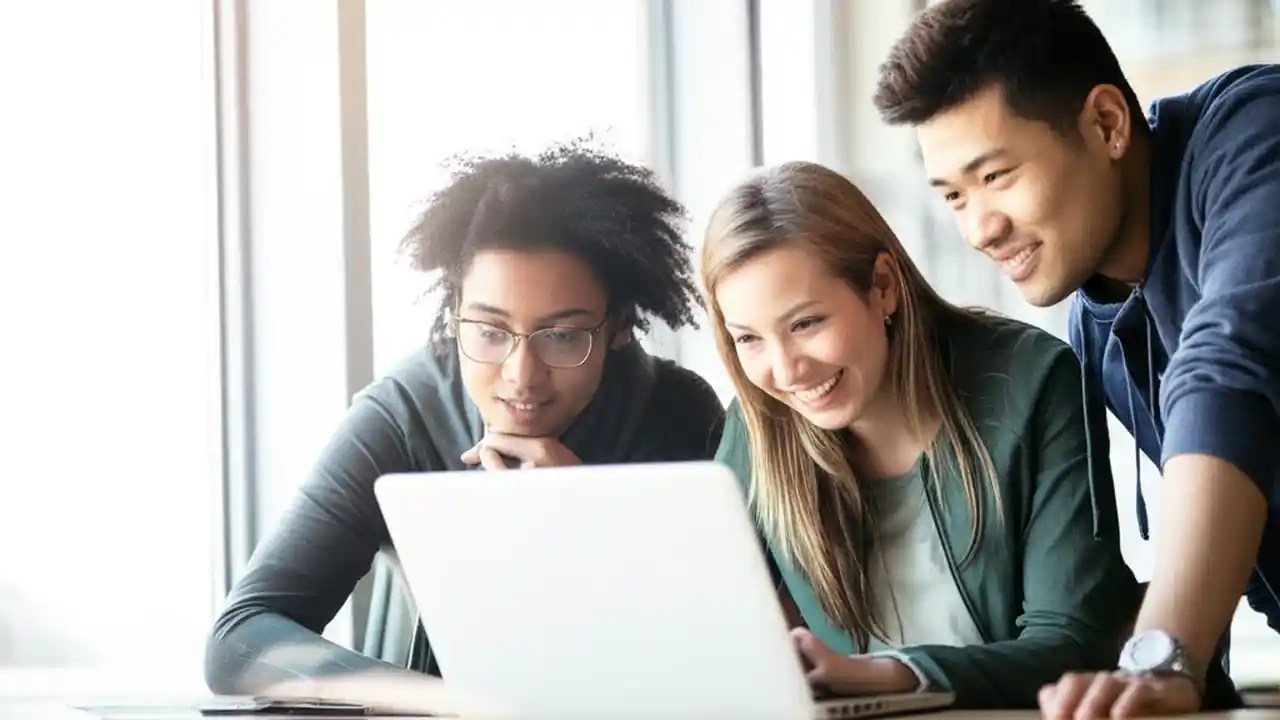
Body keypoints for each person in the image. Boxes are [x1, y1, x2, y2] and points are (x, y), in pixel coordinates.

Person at [204, 141, 725, 708]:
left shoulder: (677, 416)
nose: (521, 376)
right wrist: (448, 700)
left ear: (620, 326)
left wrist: (584, 516)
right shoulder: (404, 416)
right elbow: (240, 641)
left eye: (562, 336)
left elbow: (714, 651)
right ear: (453, 314)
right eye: (489, 330)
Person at [873, 1, 1280, 715]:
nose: (979, 228)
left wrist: (1161, 662)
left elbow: (1227, 371)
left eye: (996, 175)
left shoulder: (1254, 134)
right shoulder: (1093, 326)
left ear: (1106, 125)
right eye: (954, 195)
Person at [702, 160, 1140, 709]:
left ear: (882, 287)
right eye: (749, 339)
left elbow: (1074, 642)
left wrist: (889, 674)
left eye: (806, 323)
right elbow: (711, 636)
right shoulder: (757, 429)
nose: (786, 372)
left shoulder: (1033, 380)